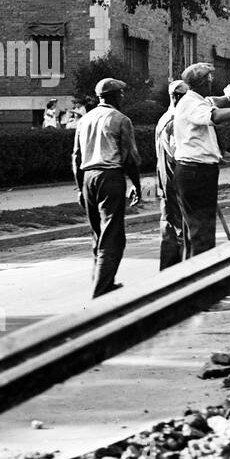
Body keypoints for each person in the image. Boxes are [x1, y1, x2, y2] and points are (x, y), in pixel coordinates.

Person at [173, 63, 230, 258]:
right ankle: (201, 272)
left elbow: (214, 101)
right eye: (209, 80)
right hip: (195, 172)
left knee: (199, 230)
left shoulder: (196, 99)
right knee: (202, 234)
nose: (211, 83)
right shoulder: (191, 104)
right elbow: (215, 115)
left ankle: (193, 271)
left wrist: (228, 97)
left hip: (197, 171)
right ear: (201, 84)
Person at [72, 77, 143, 297]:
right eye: (121, 93)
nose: (123, 96)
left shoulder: (85, 119)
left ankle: (104, 281)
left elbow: (76, 157)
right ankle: (101, 290)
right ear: (114, 96)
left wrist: (80, 188)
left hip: (88, 178)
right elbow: (129, 157)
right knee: (113, 235)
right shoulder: (121, 119)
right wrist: (137, 185)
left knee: (97, 234)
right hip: (110, 177)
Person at [154, 79, 188, 271]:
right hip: (175, 180)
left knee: (169, 226)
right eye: (183, 96)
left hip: (165, 180)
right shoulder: (175, 121)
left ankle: (168, 273)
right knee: (179, 229)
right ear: (175, 97)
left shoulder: (163, 118)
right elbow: (178, 154)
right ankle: (177, 274)